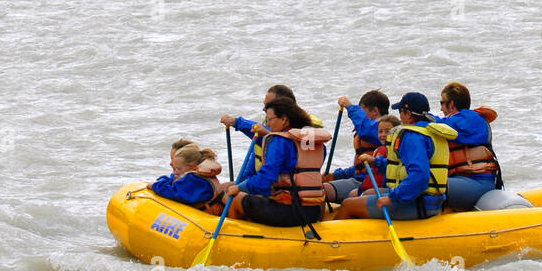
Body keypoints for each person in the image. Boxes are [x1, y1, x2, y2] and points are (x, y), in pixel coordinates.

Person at [333, 93, 448, 222]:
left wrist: (391, 197)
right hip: (428, 201)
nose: (399, 116)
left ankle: (331, 241)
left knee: (348, 205)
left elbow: (419, 176)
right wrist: (376, 162)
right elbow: (402, 165)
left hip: (417, 203)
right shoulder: (431, 131)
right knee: (362, 197)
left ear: (408, 113)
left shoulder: (413, 136)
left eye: (400, 111)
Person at [219, 99, 331, 229]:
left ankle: (235, 238)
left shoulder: (279, 141)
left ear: (283, 119)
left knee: (233, 198)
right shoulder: (315, 142)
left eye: (269, 119)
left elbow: (263, 181)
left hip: (290, 211)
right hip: (314, 210)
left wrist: (238, 188)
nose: (267, 124)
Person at [436, 81, 504, 210]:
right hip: (463, 180)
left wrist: (420, 119)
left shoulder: (470, 120)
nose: (440, 109)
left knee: (427, 183)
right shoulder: (459, 121)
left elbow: (439, 124)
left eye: (442, 103)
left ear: (451, 104)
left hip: (478, 182)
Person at [324, 90, 390, 203]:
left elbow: (366, 129)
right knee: (322, 183)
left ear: (374, 111)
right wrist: (335, 176)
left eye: (362, 111)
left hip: (370, 182)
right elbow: (360, 167)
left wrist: (350, 107)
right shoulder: (372, 129)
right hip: (360, 178)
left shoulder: (384, 132)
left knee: (320, 190)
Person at [148, 140, 224, 212]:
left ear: (191, 166)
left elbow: (174, 193)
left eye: (178, 168)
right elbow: (175, 180)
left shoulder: (194, 180)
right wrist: (163, 180)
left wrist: (155, 185)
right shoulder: (198, 175)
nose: (171, 165)